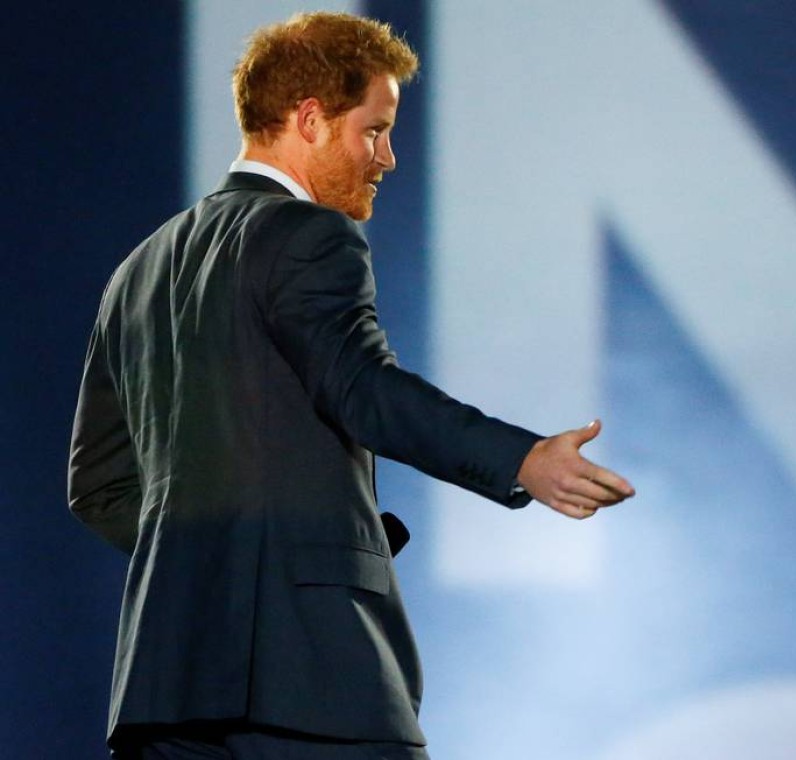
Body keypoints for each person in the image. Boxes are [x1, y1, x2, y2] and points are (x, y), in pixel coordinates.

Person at [67, 12, 634, 759]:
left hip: (165, 690)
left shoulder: (136, 271)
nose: (388, 157)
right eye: (374, 130)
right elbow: (361, 387)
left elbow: (98, 486)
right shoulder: (306, 234)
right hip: (308, 682)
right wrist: (522, 459)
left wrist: (216, 570)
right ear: (308, 119)